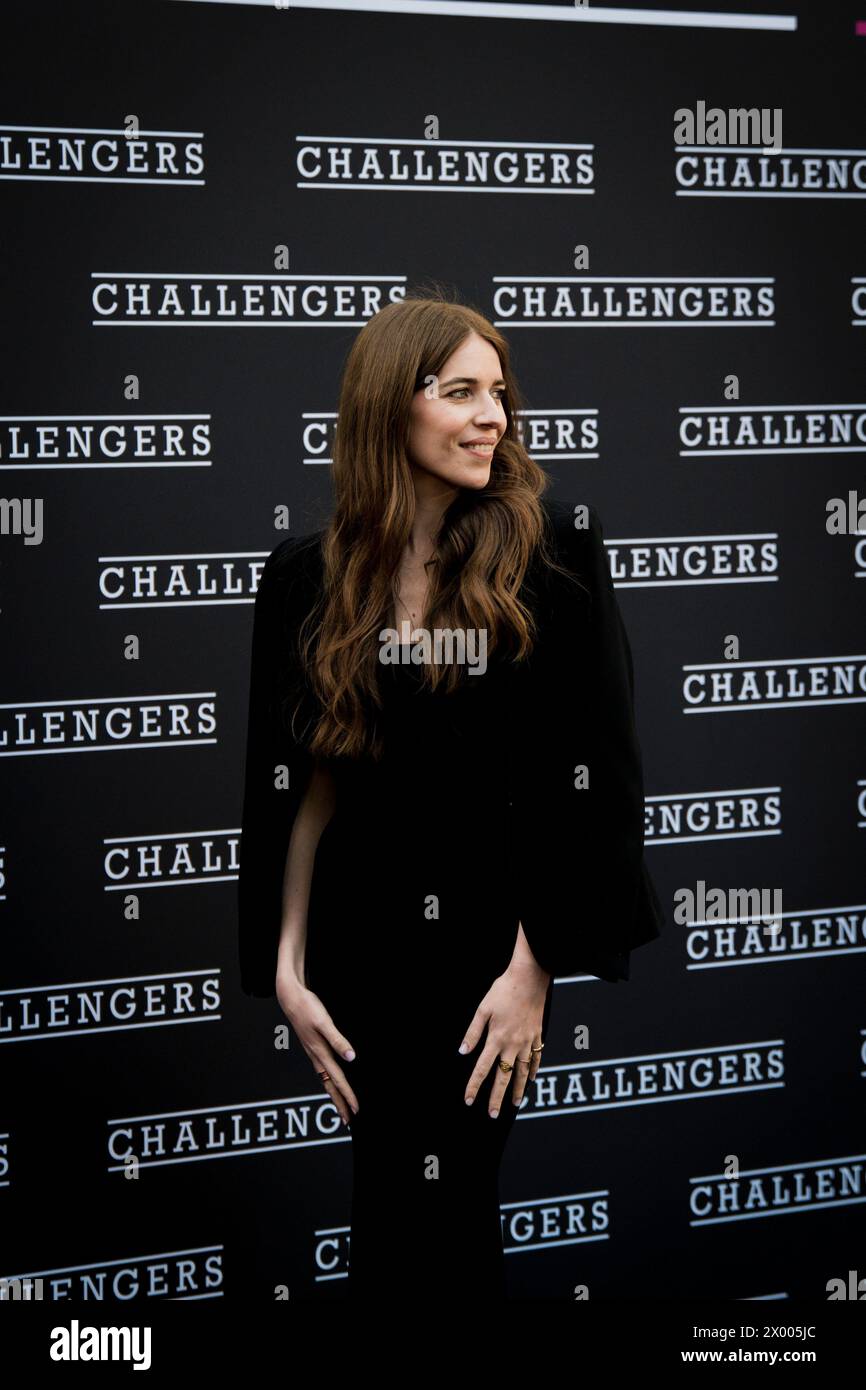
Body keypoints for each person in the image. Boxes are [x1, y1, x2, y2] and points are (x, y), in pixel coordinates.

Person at [237, 293, 664, 1299]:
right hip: (358, 955)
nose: (492, 419)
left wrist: (535, 967)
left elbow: (597, 776)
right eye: (460, 392)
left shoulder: (551, 556)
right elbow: (302, 783)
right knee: (388, 1214)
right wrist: (288, 967)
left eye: (499, 394)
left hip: (486, 957)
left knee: (448, 1212)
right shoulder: (305, 576)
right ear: (390, 408)